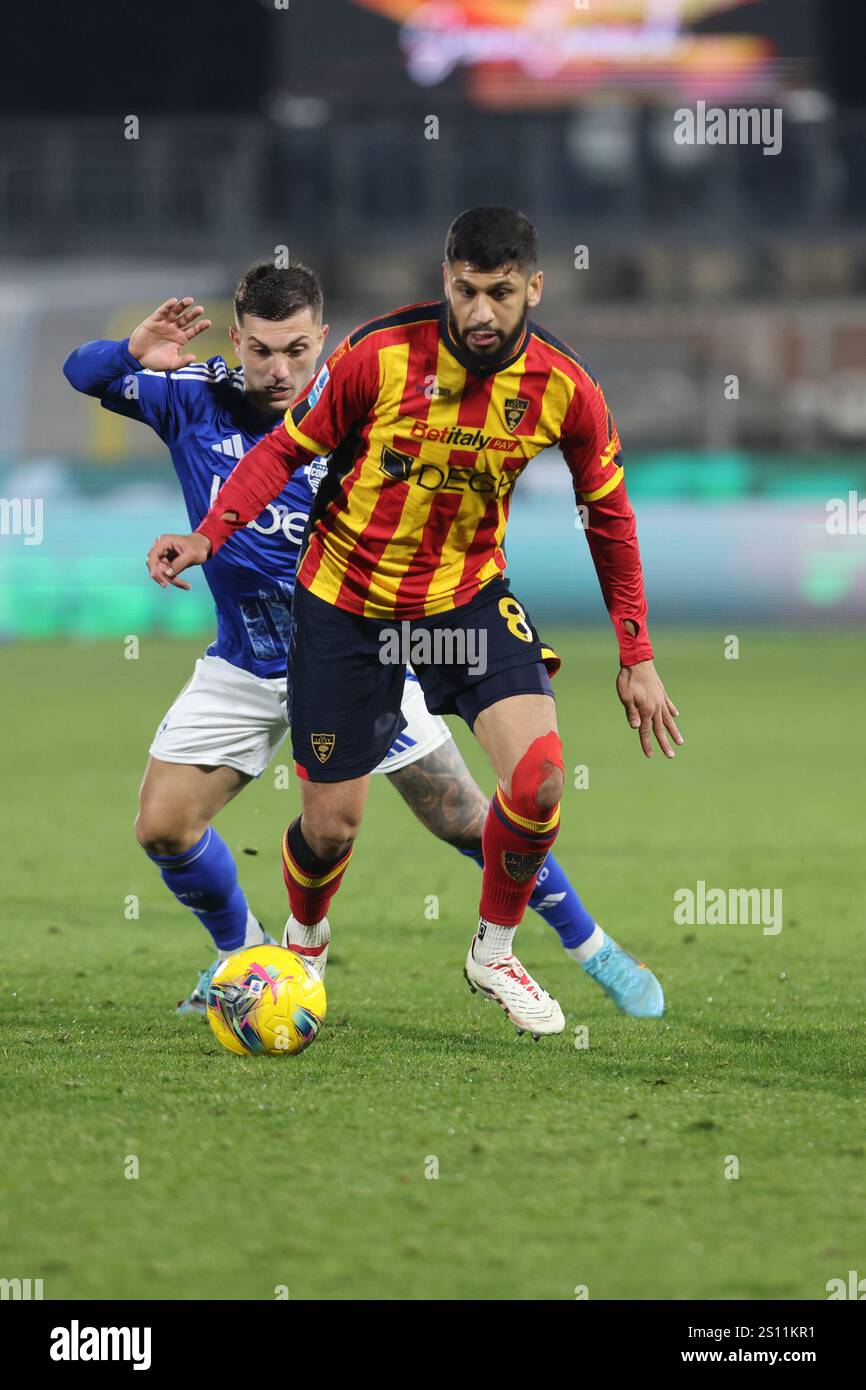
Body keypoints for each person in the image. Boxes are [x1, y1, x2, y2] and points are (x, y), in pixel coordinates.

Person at [66, 258, 666, 1021]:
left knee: (467, 817)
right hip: (248, 662)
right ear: (236, 340)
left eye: (297, 352)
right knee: (163, 826)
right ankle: (247, 958)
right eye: (259, 350)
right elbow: (78, 370)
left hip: (365, 641)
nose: (279, 371)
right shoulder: (193, 399)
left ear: (322, 340)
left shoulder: (356, 399)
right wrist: (129, 349)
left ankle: (591, 945)